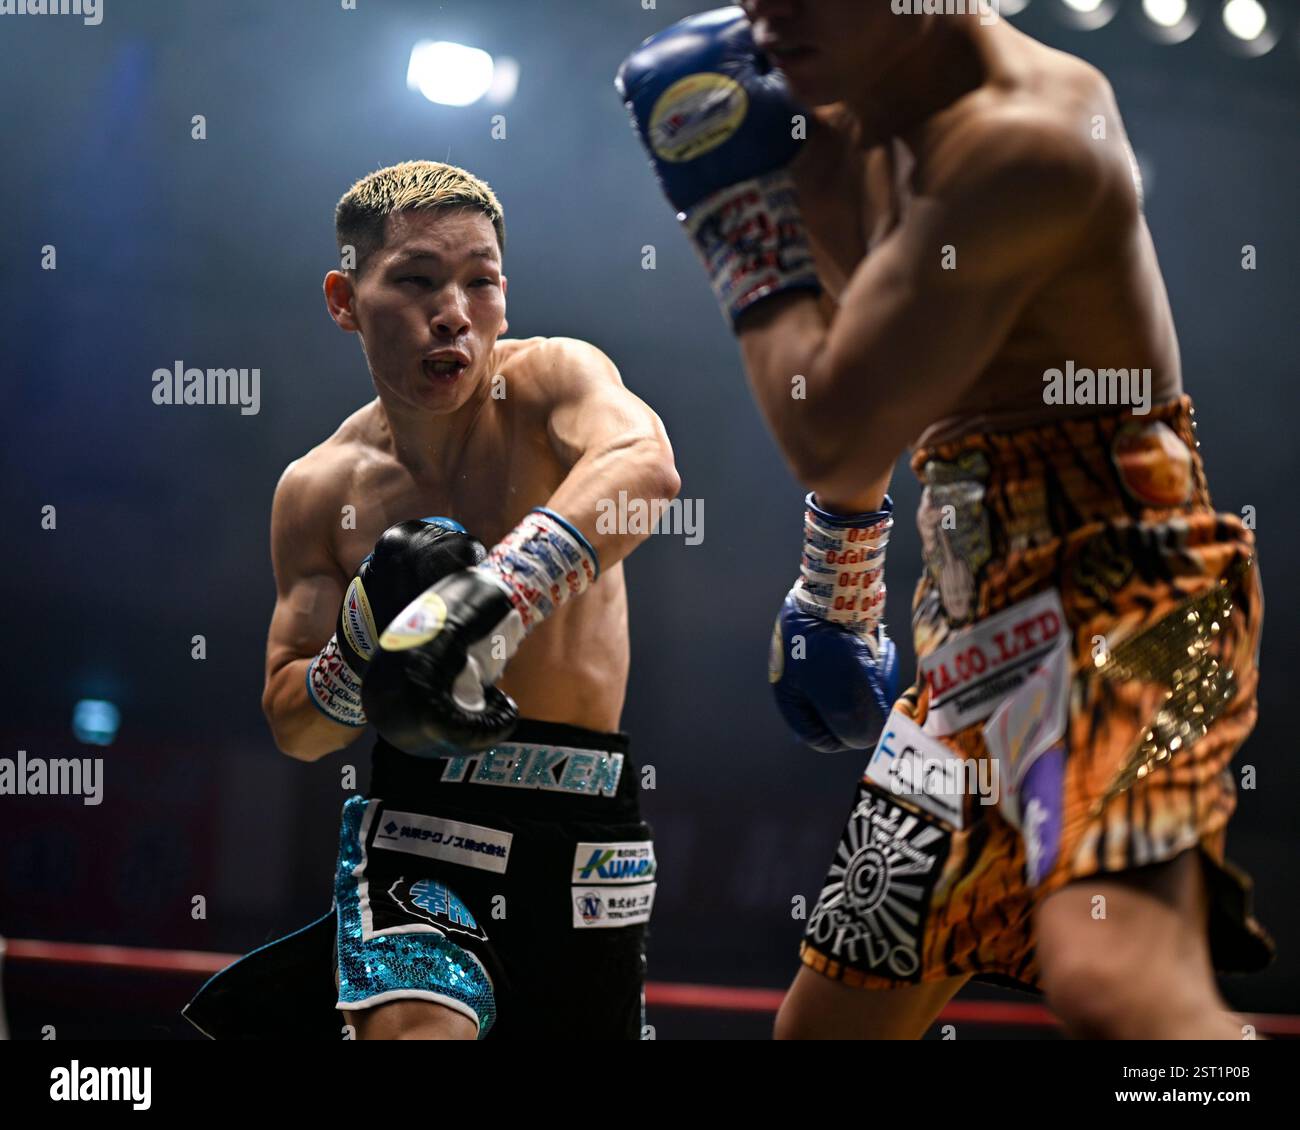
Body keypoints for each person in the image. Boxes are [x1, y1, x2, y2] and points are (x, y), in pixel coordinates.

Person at [618, 4, 1271, 1039]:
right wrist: (839, 579)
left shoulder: (1023, 143)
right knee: (827, 1031)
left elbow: (829, 424)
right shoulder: (844, 103)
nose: (764, 12)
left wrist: (736, 215)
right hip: (970, 632)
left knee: (1114, 976)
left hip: (1130, 604)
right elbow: (882, 371)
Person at [185, 160, 679, 1040]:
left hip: (589, 828)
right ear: (345, 299)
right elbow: (296, 726)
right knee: (419, 1033)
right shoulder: (319, 486)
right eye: (417, 279)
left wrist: (486, 599)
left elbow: (647, 471)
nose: (454, 309)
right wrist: (362, 646)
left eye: (480, 281)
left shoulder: (554, 381)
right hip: (425, 822)